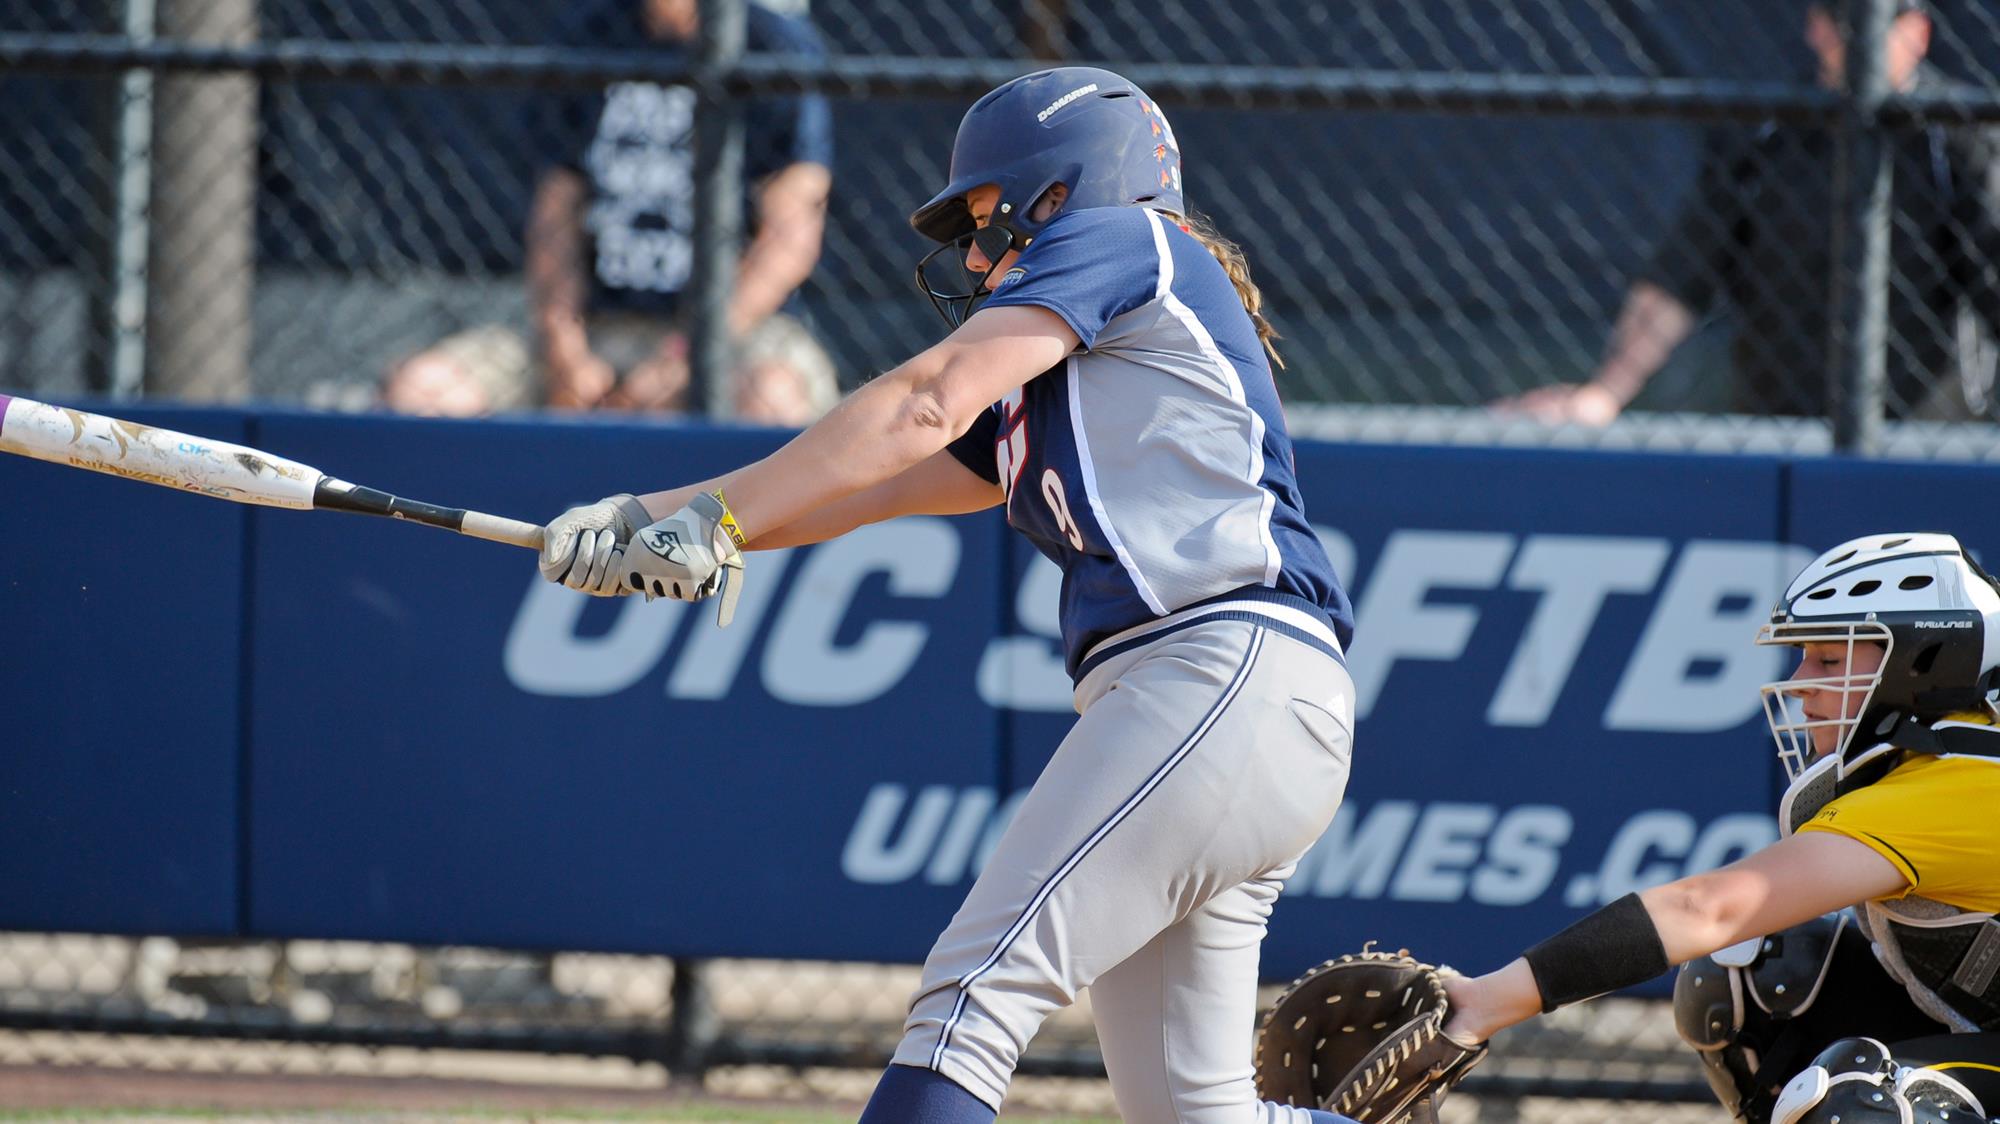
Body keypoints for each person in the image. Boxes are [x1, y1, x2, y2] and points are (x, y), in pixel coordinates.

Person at [534, 67, 1363, 1124]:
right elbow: (871, 489)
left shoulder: (1128, 238)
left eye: (988, 213)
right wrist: (655, 523)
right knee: (1196, 1115)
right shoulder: (1069, 373)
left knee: (971, 997)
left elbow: (921, 403)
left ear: (1064, 190)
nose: (975, 252)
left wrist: (706, 513)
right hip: (1233, 702)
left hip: (1219, 671)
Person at [1432, 532, 2000, 1124]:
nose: (1803, 680)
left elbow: (1707, 909)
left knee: (1867, 1108)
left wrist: (1483, 1003)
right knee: (1757, 969)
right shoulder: (1937, 765)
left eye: (1829, 659)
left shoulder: (1949, 787)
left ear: (1926, 662)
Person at [1495, 0, 2000, 423]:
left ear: (1919, 31)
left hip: (1926, 436)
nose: (1858, 41)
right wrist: (1606, 392)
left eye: (1883, 24)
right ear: (1816, 27)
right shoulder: (1767, 133)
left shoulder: (1957, 138)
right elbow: (1681, 275)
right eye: (1841, 22)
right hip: (1780, 427)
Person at [382, 0, 837, 424]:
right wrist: (565, 346)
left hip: (736, 332)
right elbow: (555, 215)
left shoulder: (774, 45)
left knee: (772, 399)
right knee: (420, 392)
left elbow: (789, 239)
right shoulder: (590, 33)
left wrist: (685, 356)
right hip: (596, 325)